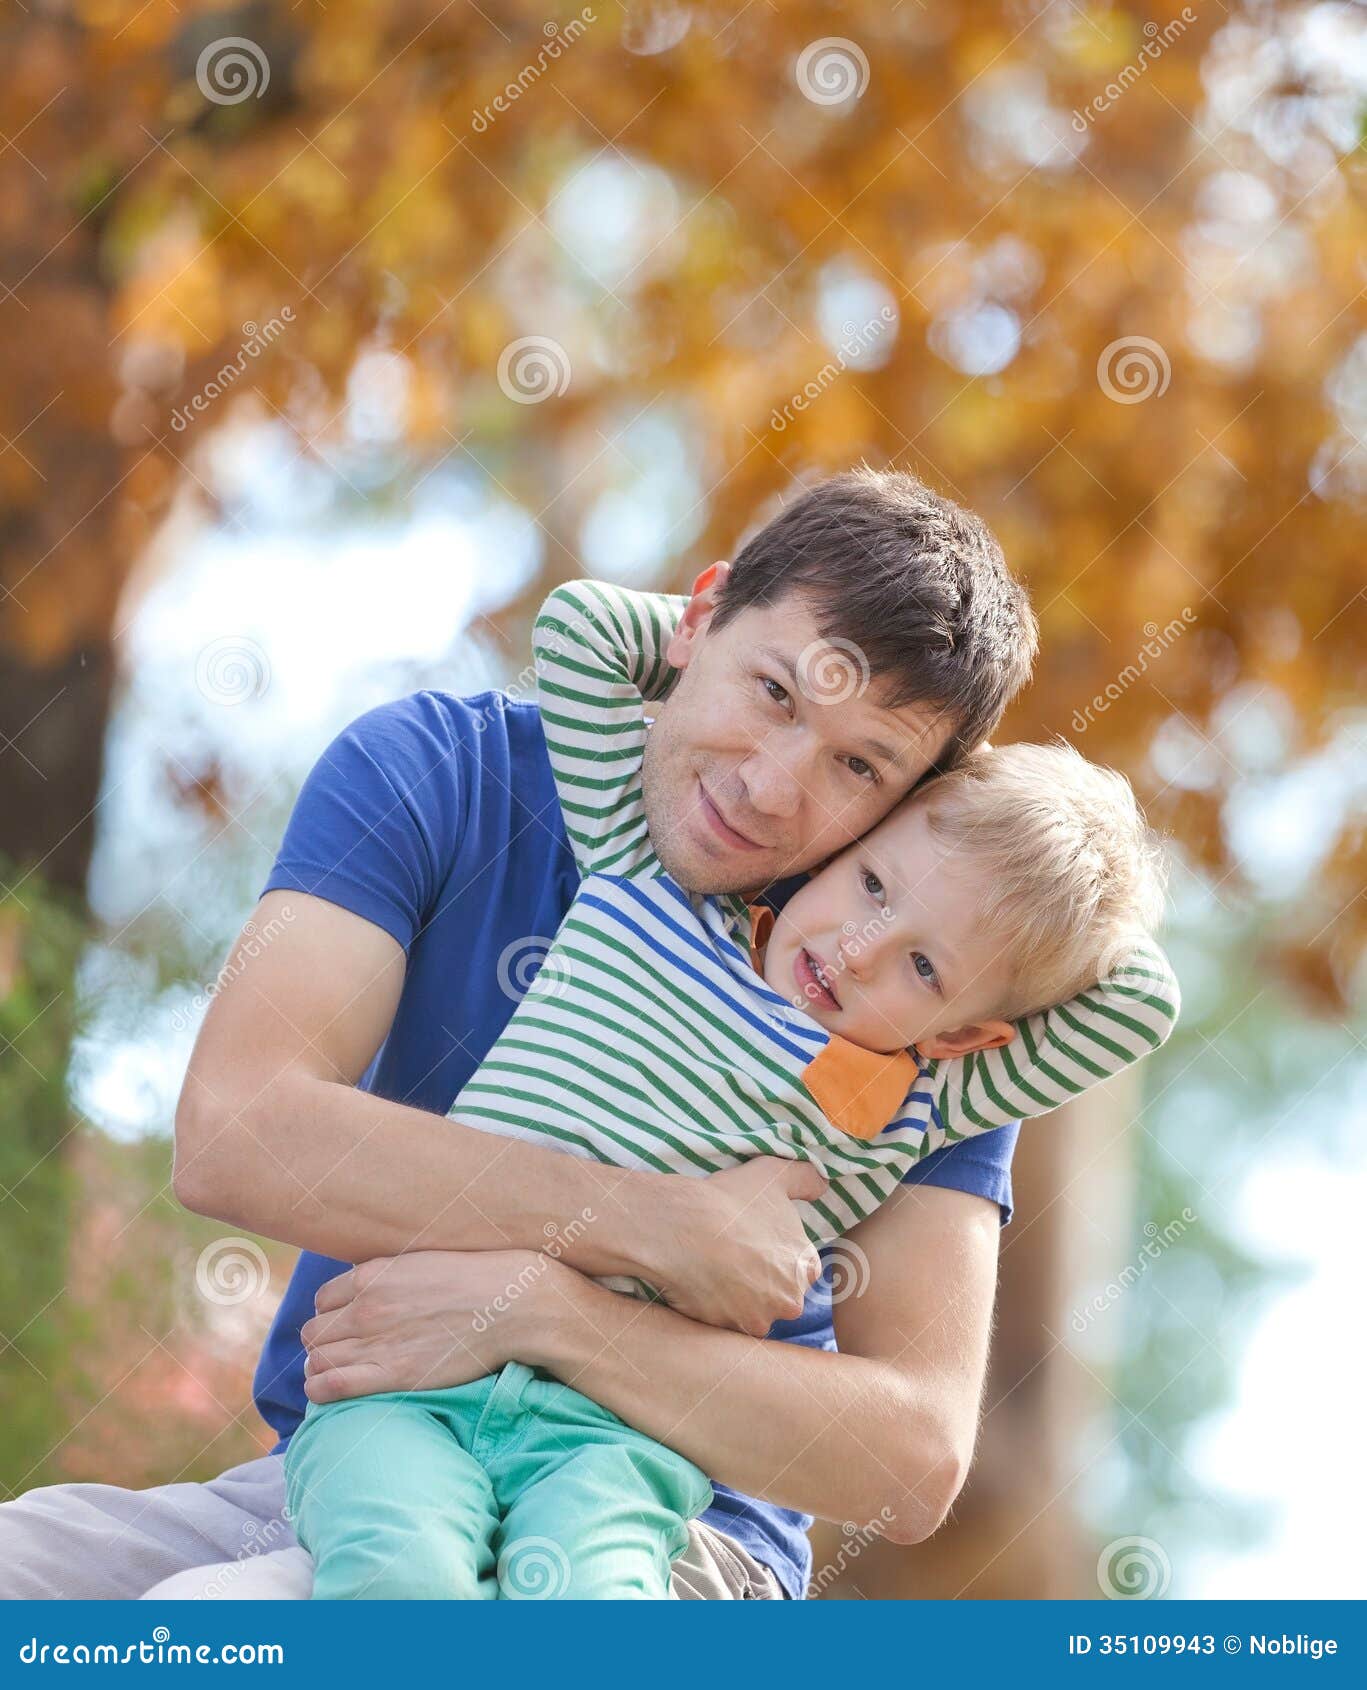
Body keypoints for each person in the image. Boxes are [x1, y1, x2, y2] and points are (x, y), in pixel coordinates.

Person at [1, 468, 1038, 1601]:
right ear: (695, 617)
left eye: (857, 766)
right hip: (357, 1465)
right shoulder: (441, 771)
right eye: (774, 690)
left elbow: (912, 1458)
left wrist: (554, 1313)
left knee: (214, 1624)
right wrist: (648, 1224)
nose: (771, 786)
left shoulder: (905, 996)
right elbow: (235, 1131)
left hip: (661, 1527)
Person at [277, 577, 1176, 1599]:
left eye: (923, 966)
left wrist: (1065, 863)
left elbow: (1138, 1003)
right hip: (412, 1381)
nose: (860, 948)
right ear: (851, 844)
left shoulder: (898, 1096)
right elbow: (577, 629)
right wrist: (739, 629)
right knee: (397, 1578)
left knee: (592, 1602)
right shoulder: (644, 887)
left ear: (967, 1028)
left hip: (611, 1441)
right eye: (873, 885)